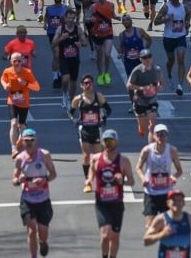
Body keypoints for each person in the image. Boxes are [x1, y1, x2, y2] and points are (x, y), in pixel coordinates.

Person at [12, 128, 57, 258]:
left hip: (43, 199)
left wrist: (45, 179)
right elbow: (14, 179)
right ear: (23, 142)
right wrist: (18, 180)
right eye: (26, 141)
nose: (29, 143)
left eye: (31, 140)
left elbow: (53, 174)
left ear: (35, 140)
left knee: (43, 233)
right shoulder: (20, 159)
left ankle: (43, 242)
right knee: (31, 231)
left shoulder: (44, 155)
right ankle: (33, 256)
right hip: (27, 199)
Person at [88, 129, 134, 258]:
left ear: (117, 142)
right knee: (105, 234)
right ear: (102, 142)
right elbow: (91, 170)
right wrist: (89, 179)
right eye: (106, 141)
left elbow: (132, 181)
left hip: (116, 203)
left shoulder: (123, 160)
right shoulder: (96, 158)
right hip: (101, 203)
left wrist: (122, 181)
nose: (109, 143)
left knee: (114, 237)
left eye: (111, 141)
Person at [70, 74, 111, 192]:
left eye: (90, 83)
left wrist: (103, 118)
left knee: (98, 157)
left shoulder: (99, 97)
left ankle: (99, 179)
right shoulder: (78, 99)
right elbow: (70, 112)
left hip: (96, 129)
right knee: (87, 156)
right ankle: (88, 181)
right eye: (86, 83)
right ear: (81, 85)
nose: (88, 85)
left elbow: (108, 109)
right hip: (84, 129)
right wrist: (74, 120)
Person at [142, 189, 191, 256]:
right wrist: (162, 234)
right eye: (174, 200)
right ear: (168, 203)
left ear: (183, 203)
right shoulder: (161, 219)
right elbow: (146, 241)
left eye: (179, 200)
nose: (177, 203)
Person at [137, 124, 183, 227]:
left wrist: (174, 176)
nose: (161, 137)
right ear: (153, 136)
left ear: (167, 136)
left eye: (164, 134)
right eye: (159, 134)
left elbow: (179, 170)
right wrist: (143, 178)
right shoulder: (147, 150)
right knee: (150, 224)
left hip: (166, 192)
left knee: (168, 223)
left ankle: (165, 241)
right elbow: (138, 167)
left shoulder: (172, 150)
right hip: (151, 192)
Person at [2, 54, 41, 157]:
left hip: (24, 103)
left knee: (22, 126)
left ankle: (20, 140)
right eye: (15, 61)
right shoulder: (7, 71)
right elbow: (2, 80)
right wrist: (5, 86)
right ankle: (14, 149)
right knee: (14, 123)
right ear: (11, 62)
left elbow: (37, 87)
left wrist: (26, 84)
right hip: (12, 101)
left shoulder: (27, 73)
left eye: (19, 61)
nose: (17, 63)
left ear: (22, 61)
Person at [127, 50, 164, 140]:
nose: (147, 60)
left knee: (152, 125)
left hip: (152, 100)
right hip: (140, 101)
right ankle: (141, 127)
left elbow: (161, 82)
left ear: (152, 58)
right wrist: (142, 88)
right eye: (144, 58)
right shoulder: (137, 71)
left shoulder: (157, 70)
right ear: (140, 59)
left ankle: (151, 147)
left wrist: (159, 86)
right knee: (142, 126)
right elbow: (129, 85)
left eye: (149, 57)